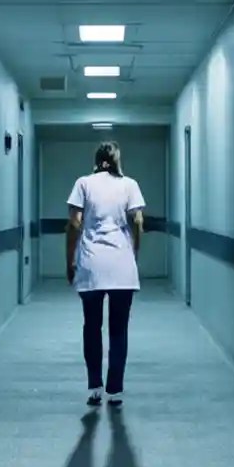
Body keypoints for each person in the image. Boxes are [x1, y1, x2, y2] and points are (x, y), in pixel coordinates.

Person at [66, 141, 145, 407]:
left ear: (97, 160)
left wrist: (70, 260)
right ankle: (115, 390)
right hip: (122, 265)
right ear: (115, 161)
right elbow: (137, 221)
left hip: (91, 264)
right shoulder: (129, 185)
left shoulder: (83, 183)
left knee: (92, 326)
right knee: (118, 329)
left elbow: (74, 223)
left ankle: (94, 387)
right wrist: (134, 253)